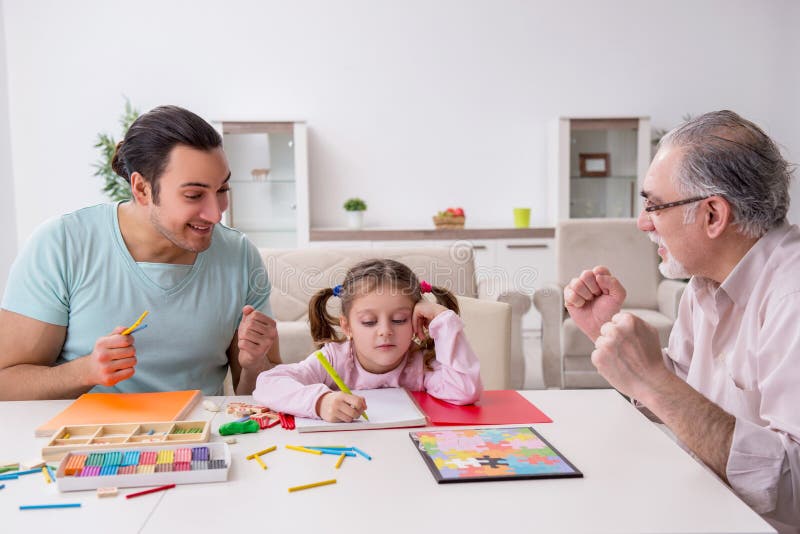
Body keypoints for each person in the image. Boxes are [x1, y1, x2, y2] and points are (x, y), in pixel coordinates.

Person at [564, 110, 799, 532]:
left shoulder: (791, 297)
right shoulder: (704, 284)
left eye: (654, 206)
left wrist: (655, 380)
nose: (641, 223)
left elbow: (794, 491)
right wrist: (608, 333)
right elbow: (688, 403)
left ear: (712, 215)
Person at [0, 105, 281, 399]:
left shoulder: (239, 255)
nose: (215, 214)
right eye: (194, 195)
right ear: (142, 189)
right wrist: (83, 372)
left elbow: (263, 397)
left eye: (222, 190)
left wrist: (254, 365)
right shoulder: (62, 244)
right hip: (92, 441)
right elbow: (6, 383)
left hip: (201, 441)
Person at [253, 258, 482, 422]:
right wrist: (320, 402)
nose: (385, 331)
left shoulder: (418, 363)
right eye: (369, 322)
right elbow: (267, 384)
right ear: (347, 326)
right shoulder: (332, 359)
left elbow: (464, 391)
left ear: (416, 321)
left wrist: (443, 320)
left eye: (400, 319)